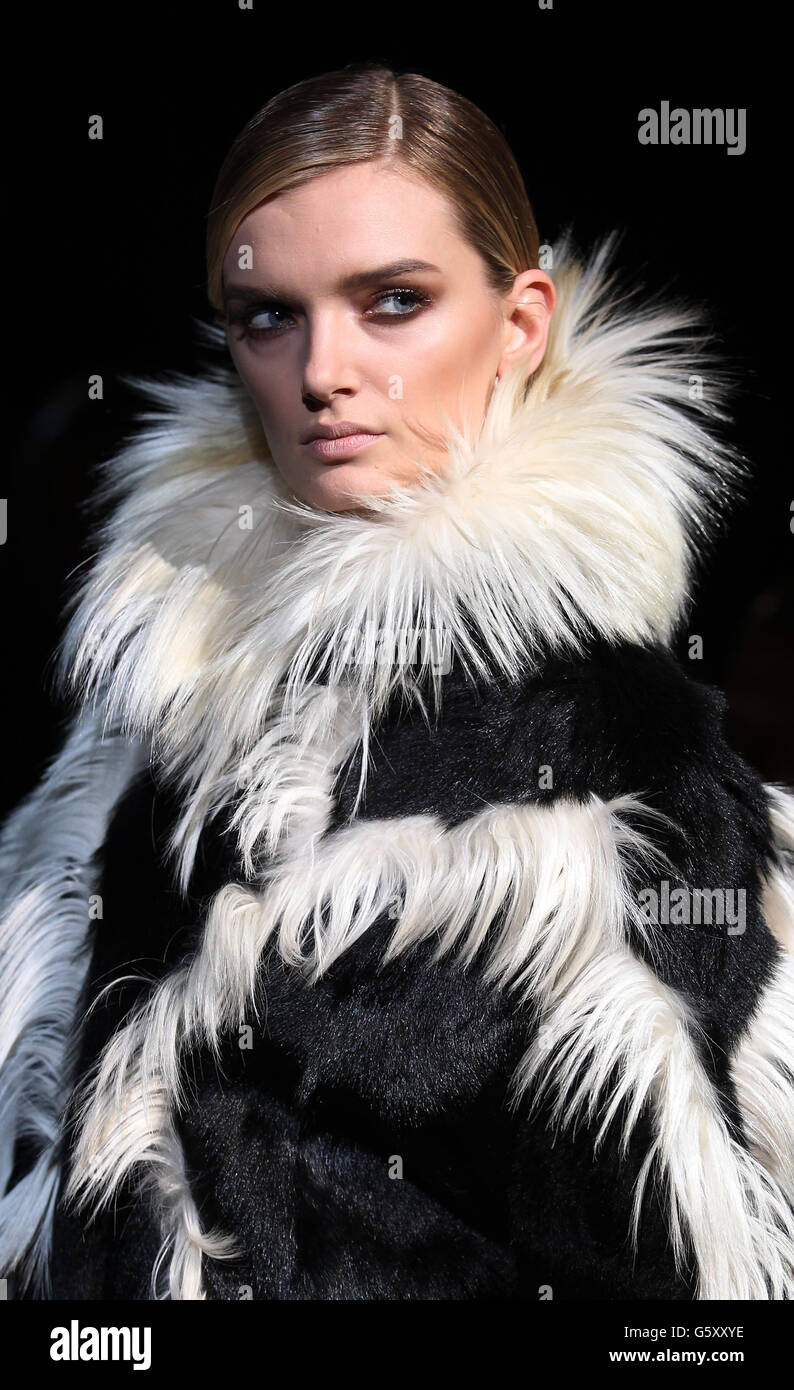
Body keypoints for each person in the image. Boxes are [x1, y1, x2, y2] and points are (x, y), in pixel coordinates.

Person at [1, 61, 793, 1302]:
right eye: (269, 314)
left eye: (392, 300)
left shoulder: (614, 779)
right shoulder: (133, 748)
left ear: (520, 324)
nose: (322, 370)